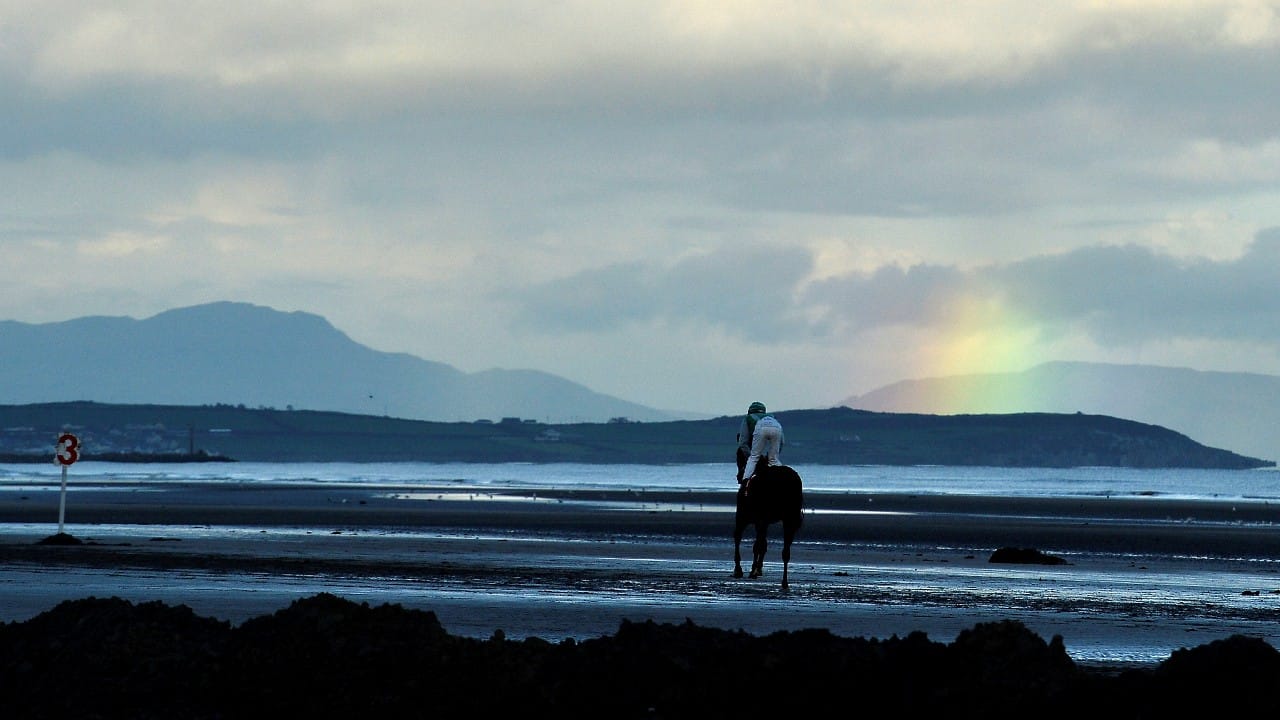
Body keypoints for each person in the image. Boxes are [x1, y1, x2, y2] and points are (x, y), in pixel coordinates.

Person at [741, 406, 784, 490]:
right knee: (774, 460)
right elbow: (782, 442)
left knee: (754, 457)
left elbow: (743, 443)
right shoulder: (772, 417)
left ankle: (745, 482)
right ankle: (782, 477)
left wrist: (748, 454)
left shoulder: (748, 418)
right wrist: (773, 455)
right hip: (777, 428)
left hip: (761, 428)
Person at [736, 401, 768, 484]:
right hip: (768, 454)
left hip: (753, 454)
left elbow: (743, 442)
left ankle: (744, 480)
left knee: (740, 452)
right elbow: (780, 442)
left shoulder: (748, 419)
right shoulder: (771, 420)